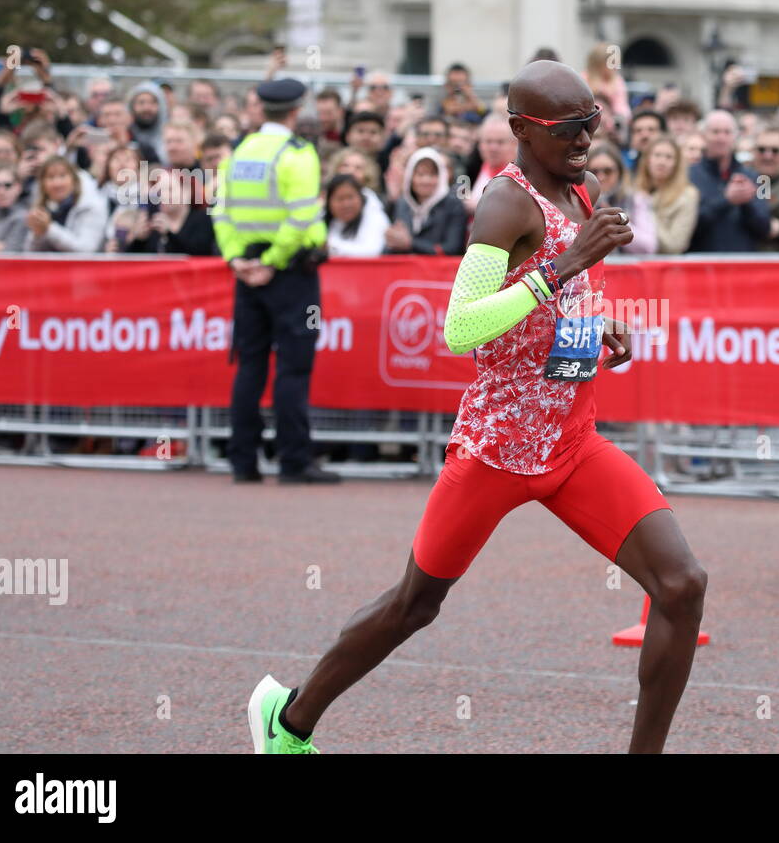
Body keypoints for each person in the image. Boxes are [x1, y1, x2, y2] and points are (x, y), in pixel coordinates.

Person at [247, 59, 706, 755]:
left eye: (595, 123)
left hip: (573, 443)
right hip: (496, 449)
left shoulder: (584, 192)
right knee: (414, 605)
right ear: (522, 128)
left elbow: (563, 300)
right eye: (571, 128)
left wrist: (597, 322)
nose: (587, 139)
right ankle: (290, 721)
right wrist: (563, 267)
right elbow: (460, 327)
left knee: (681, 584)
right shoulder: (505, 203)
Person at [210, 78, 339, 485]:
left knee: (249, 365)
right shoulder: (297, 153)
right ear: (295, 111)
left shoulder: (239, 151)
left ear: (261, 109)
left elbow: (221, 213)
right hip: (290, 272)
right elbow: (301, 218)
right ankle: (294, 461)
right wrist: (272, 262)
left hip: (247, 270)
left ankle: (242, 462)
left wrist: (237, 260)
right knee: (293, 368)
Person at [687, 110, 770, 252]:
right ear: (703, 136)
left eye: (727, 132)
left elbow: (765, 227)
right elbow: (688, 226)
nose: (721, 138)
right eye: (715, 132)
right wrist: (726, 200)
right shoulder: (688, 175)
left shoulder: (759, 178)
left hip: (743, 265)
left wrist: (746, 203)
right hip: (701, 265)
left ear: (736, 136)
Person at [385, 146, 468, 256]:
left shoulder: (453, 205)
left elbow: (452, 248)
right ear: (410, 177)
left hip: (441, 270)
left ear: (442, 177)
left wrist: (411, 243)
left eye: (432, 174)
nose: (426, 180)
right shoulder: (402, 204)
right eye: (420, 174)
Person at [24, 155, 106, 253]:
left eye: (62, 176)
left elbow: (86, 250)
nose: (57, 183)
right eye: (50, 177)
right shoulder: (41, 209)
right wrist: (37, 234)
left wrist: (49, 229)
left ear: (74, 180)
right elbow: (31, 254)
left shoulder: (90, 206)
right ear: (43, 184)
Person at [634, 134, 699, 255]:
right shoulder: (635, 190)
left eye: (669, 157)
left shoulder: (687, 195)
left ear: (676, 163)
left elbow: (675, 245)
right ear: (648, 159)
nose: (662, 162)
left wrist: (646, 208)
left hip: (668, 268)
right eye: (657, 155)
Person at [587, 141, 656, 253]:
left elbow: (648, 247)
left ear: (619, 172)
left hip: (624, 267)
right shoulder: (577, 202)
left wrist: (618, 221)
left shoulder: (635, 200)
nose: (601, 177)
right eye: (594, 171)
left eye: (608, 171)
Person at [324, 173, 388, 258]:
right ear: (329, 202)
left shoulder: (375, 217)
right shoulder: (324, 220)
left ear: (361, 198)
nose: (346, 204)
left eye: (350, 197)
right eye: (340, 199)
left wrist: (331, 247)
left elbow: (371, 251)